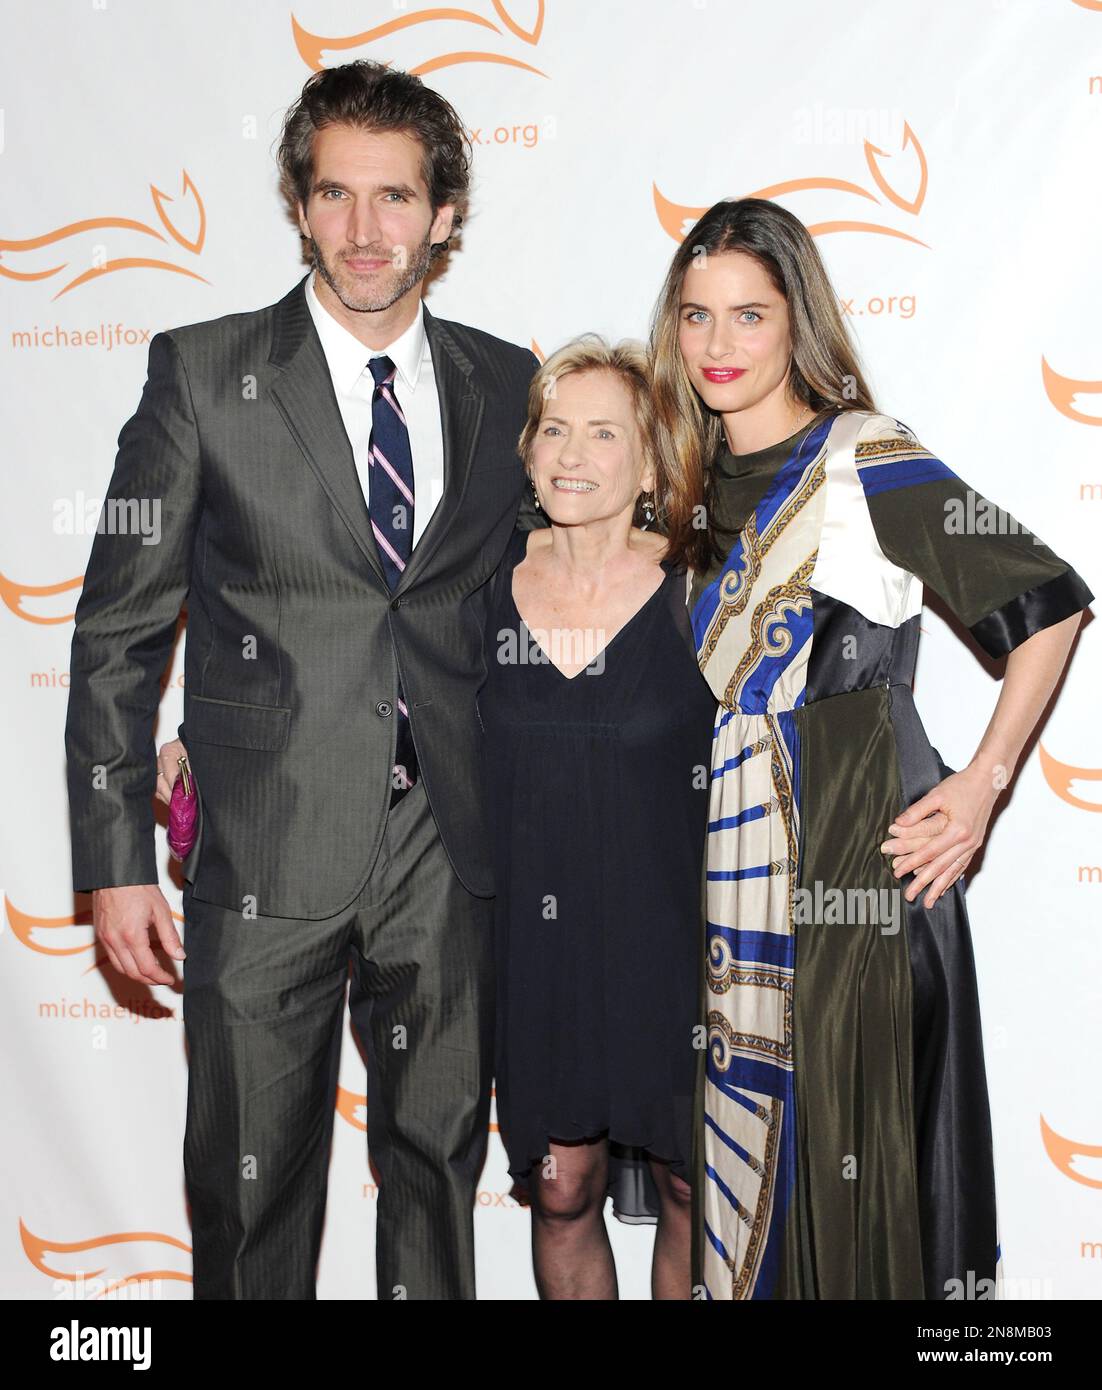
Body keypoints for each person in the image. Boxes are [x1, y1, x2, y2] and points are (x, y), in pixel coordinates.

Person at [64, 59, 541, 1300]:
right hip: (264, 844)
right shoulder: (200, 373)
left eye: (395, 198)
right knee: (248, 1181)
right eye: (336, 196)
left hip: (449, 843)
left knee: (437, 1166)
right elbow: (115, 627)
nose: (365, 231)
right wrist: (114, 857)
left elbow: (545, 601)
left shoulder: (512, 383)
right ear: (299, 204)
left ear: (445, 213)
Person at [647, 197, 1094, 1299]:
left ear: (796, 318)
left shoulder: (867, 458)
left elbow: (1045, 601)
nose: (717, 346)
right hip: (724, 891)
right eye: (695, 317)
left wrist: (984, 785)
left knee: (857, 1198)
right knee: (746, 1195)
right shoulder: (677, 485)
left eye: (747, 316)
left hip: (860, 871)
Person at [476, 338, 717, 1298]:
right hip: (536, 951)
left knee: (692, 1182)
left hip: (679, 941)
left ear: (652, 462)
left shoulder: (708, 593)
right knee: (561, 1187)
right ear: (529, 452)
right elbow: (370, 692)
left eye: (604, 432)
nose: (572, 453)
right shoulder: (476, 586)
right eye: (555, 429)